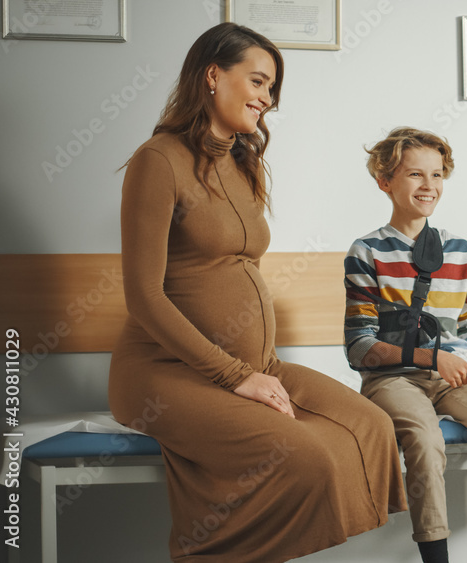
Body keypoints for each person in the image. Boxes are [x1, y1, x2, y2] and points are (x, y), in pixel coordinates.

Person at [108, 23, 405, 562]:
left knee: (372, 425)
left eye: (273, 89)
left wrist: (252, 369)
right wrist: (236, 377)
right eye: (260, 82)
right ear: (213, 76)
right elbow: (144, 297)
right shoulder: (157, 160)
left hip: (254, 362)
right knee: (304, 457)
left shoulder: (243, 163)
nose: (268, 100)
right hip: (163, 371)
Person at [344, 127, 467, 563]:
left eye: (437, 175)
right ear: (385, 181)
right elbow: (360, 347)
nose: (428, 185)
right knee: (424, 437)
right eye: (415, 174)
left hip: (455, 374)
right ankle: (436, 558)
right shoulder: (367, 251)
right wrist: (434, 357)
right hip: (392, 380)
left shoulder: (461, 251)